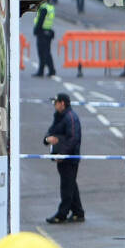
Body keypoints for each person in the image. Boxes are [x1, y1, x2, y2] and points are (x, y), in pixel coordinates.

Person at [44, 92, 83, 224]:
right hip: (61, 157)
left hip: (69, 158)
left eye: (56, 102)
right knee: (71, 184)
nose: (54, 105)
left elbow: (73, 138)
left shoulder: (71, 118)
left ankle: (62, 214)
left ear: (62, 103)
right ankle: (78, 212)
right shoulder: (59, 116)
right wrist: (46, 139)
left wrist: (63, 154)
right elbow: (51, 131)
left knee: (67, 186)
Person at [32, 0, 56, 77]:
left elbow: (40, 21)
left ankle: (47, 70)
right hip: (48, 32)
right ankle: (47, 70)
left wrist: (36, 30)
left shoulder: (44, 8)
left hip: (42, 32)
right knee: (46, 52)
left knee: (42, 53)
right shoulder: (51, 7)